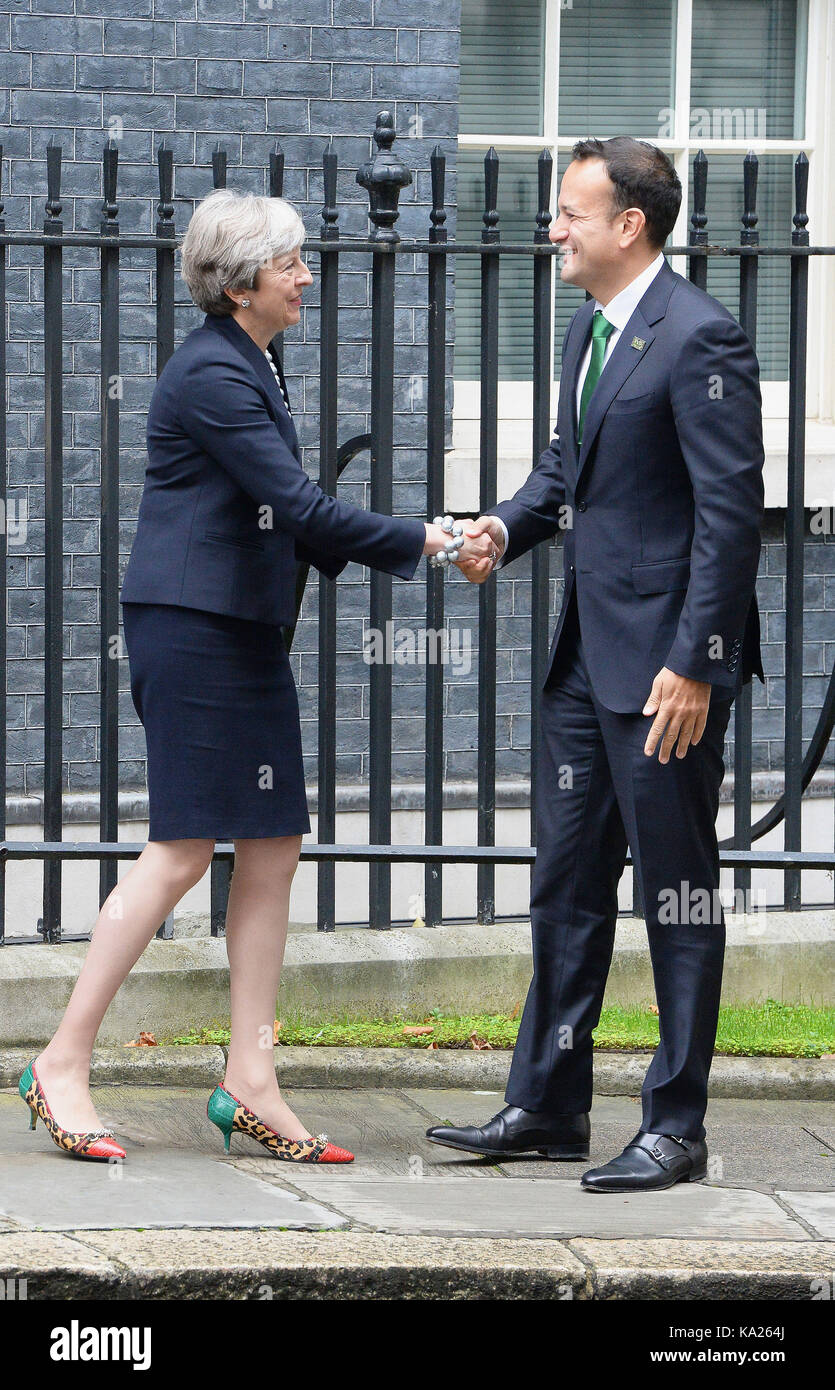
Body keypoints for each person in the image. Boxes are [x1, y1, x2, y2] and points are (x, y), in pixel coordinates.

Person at [21, 188, 475, 1165]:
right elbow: (299, 505)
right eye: (290, 264)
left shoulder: (253, 361)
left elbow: (287, 516)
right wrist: (432, 540)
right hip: (194, 633)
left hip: (241, 633)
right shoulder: (213, 373)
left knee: (271, 846)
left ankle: (250, 1077)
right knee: (183, 848)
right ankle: (60, 1060)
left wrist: (414, 539)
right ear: (240, 284)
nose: (306, 277)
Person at [427, 136, 764, 1192]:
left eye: (570, 212)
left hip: (666, 671)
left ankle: (676, 1126)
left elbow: (730, 515)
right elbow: (565, 470)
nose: (553, 229)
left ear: (629, 224)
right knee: (565, 882)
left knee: (677, 893)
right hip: (586, 657)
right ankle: (547, 1104)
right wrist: (500, 528)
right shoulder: (589, 326)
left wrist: (695, 663)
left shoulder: (701, 336)